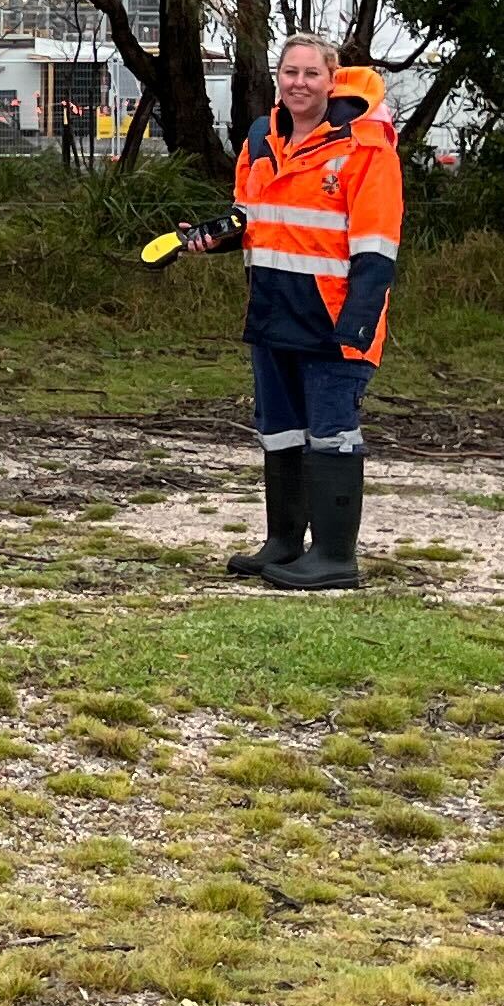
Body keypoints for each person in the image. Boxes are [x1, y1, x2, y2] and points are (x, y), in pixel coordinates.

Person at [169, 35, 402, 591]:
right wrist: (211, 238)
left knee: (332, 434)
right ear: (278, 76)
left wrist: (360, 322)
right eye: (289, 72)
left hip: (333, 319)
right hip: (272, 310)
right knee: (280, 433)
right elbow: (254, 219)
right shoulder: (261, 138)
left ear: (332, 78)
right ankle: (283, 543)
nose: (298, 83)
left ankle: (334, 556)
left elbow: (376, 248)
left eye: (310, 74)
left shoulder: (366, 149)